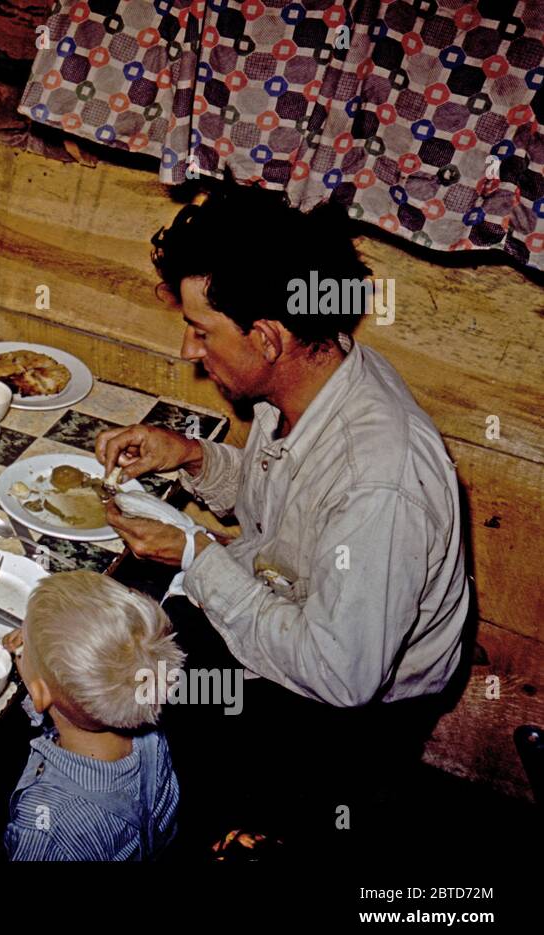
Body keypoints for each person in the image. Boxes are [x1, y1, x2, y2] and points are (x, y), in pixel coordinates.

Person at [93, 181, 470, 851]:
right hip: (298, 618)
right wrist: (192, 457)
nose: (188, 349)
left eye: (200, 330)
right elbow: (282, 512)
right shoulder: (312, 376)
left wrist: (195, 556)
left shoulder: (382, 477)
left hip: (351, 715)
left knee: (136, 680)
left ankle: (233, 828)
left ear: (267, 336)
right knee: (134, 643)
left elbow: (341, 674)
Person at [4, 571, 183, 861]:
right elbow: (66, 701)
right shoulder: (149, 730)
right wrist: (38, 668)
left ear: (39, 694)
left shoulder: (45, 825)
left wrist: (36, 669)